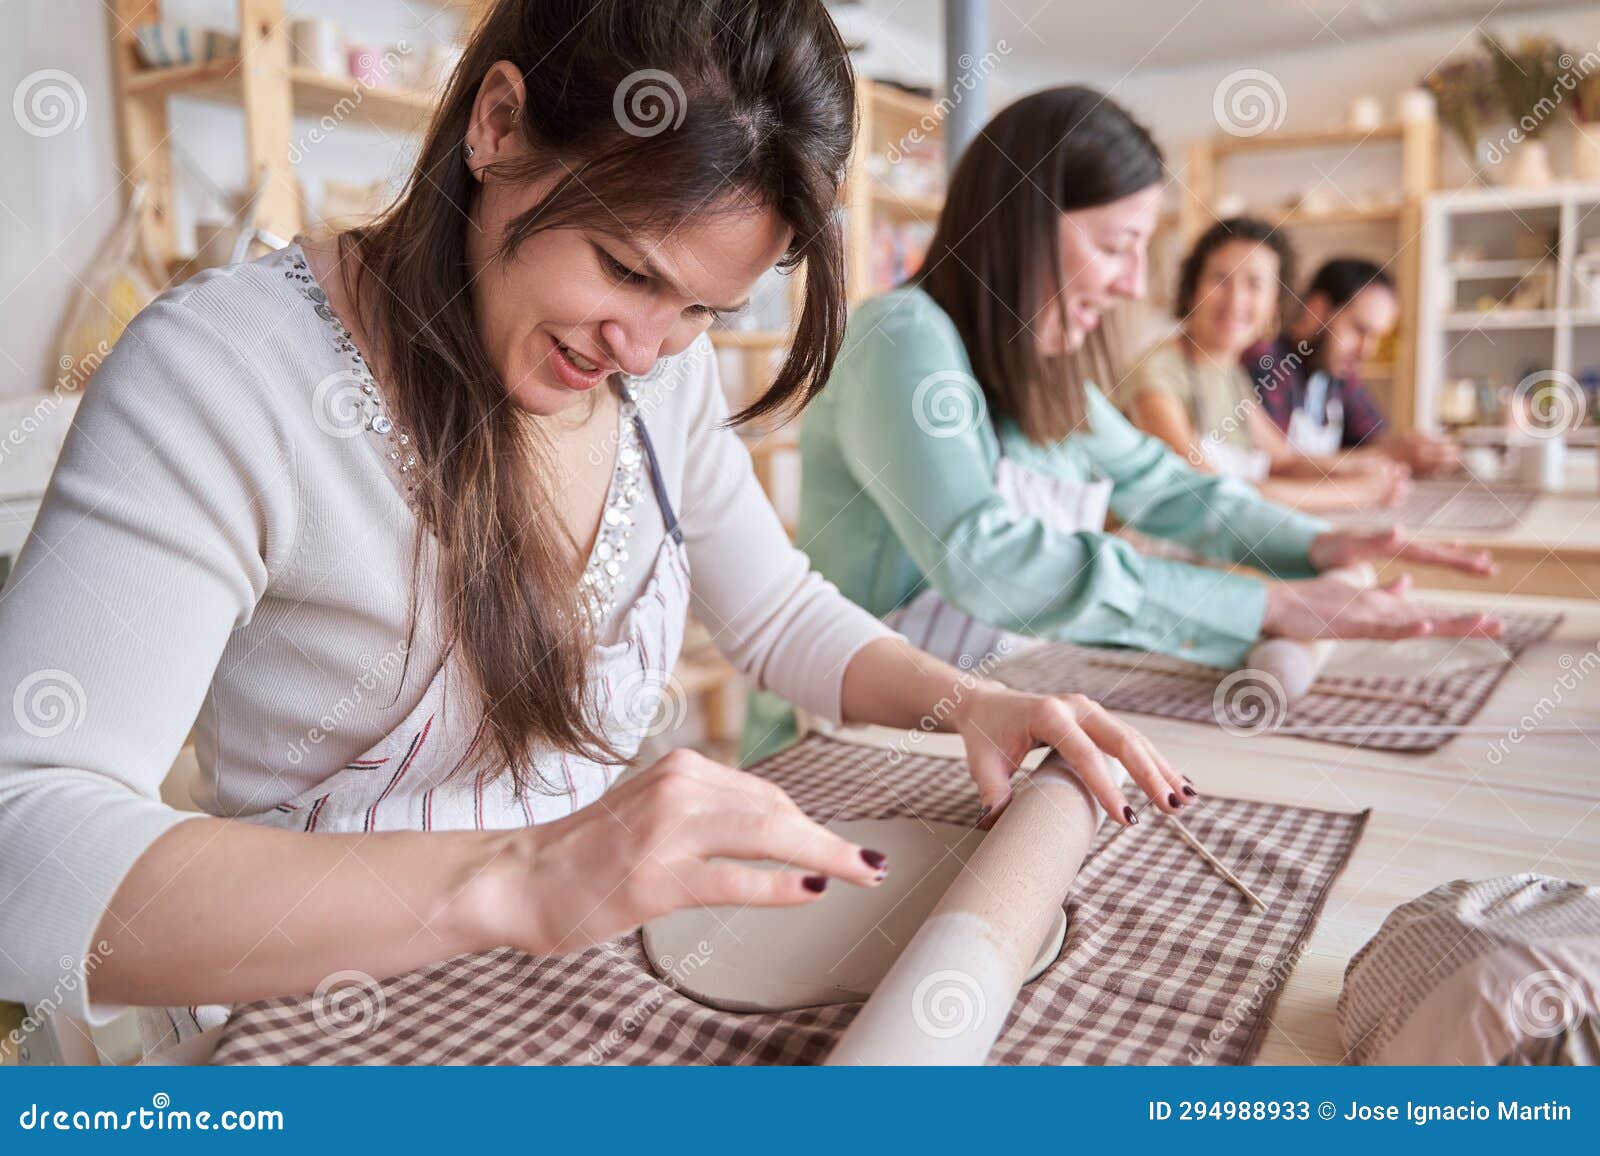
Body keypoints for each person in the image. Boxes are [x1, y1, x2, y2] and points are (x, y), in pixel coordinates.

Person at [0, 0, 1191, 1062]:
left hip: (563, 990)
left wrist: (968, 702)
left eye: (704, 307)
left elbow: (777, 613)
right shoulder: (230, 373)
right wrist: (522, 875)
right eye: (625, 268)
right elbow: (23, 846)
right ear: (498, 124)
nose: (644, 347)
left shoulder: (659, 375)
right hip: (319, 1023)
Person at [741, 87, 1497, 766]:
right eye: (1113, 247)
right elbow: (984, 558)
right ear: (1021, 225)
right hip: (837, 744)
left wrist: (1318, 546)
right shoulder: (902, 338)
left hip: (980, 719)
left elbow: (1163, 486)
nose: (1133, 283)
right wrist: (1268, 605)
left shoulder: (1040, 367)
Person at [1123, 217, 1411, 513]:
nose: (1236, 300)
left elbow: (1284, 462)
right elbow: (1206, 494)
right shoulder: (1158, 373)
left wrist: (1365, 470)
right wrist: (1355, 492)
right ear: (1192, 288)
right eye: (1220, 279)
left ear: (1275, 303)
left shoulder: (1230, 373)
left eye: (1254, 284)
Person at [1249, 257, 1459, 475]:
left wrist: (1414, 449)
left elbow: (1373, 438)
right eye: (1359, 330)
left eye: (1375, 337)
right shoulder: (1268, 366)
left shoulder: (1339, 378)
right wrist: (1389, 455)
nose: (1366, 351)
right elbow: (1278, 465)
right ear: (1316, 310)